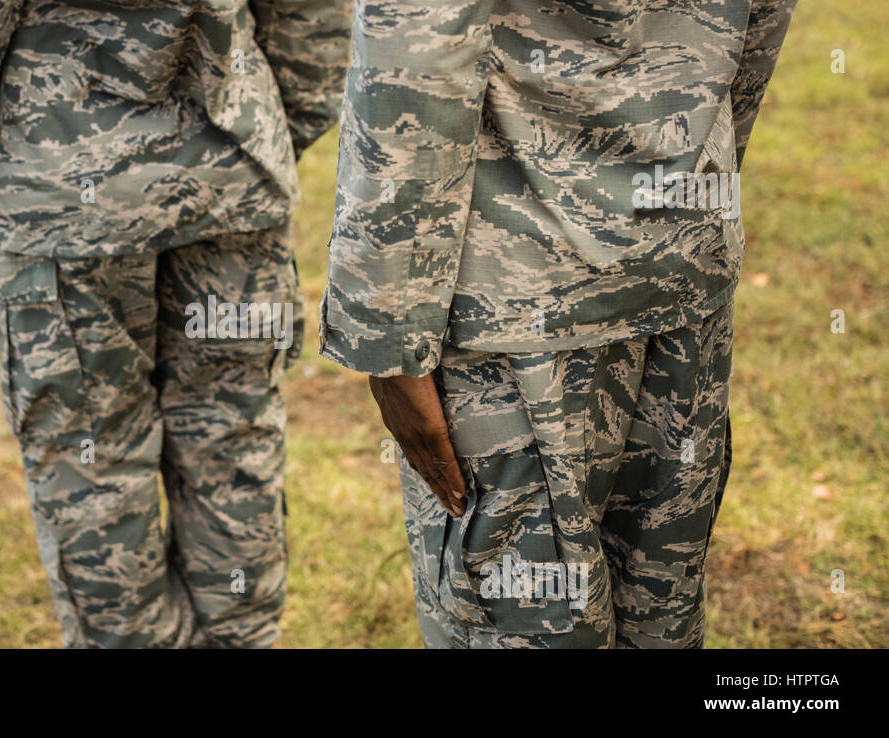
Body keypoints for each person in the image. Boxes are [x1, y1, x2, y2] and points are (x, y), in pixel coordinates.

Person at [320, 0, 796, 647]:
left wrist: (387, 332)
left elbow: (416, 51)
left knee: (524, 625)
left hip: (511, 302)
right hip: (677, 271)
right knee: (660, 610)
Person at [0, 0, 349, 647]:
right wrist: (265, 133)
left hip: (65, 197)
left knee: (92, 464)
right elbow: (311, 17)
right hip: (228, 179)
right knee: (231, 443)